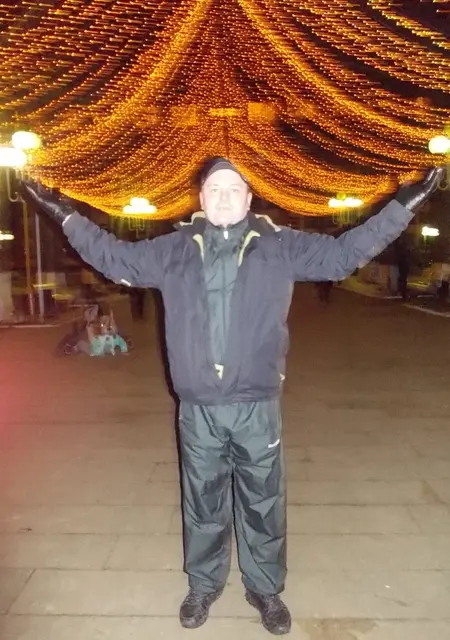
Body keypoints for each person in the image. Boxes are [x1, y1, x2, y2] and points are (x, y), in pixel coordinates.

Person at [21, 159, 443, 635]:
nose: (223, 197)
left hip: (256, 404)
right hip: (198, 406)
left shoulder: (279, 246)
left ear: (248, 198)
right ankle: (203, 585)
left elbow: (346, 253)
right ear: (201, 198)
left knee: (263, 501)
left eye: (233, 189)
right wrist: (64, 214)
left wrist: (404, 205)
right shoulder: (174, 250)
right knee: (202, 500)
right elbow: (113, 256)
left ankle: (265, 588)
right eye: (214, 189)